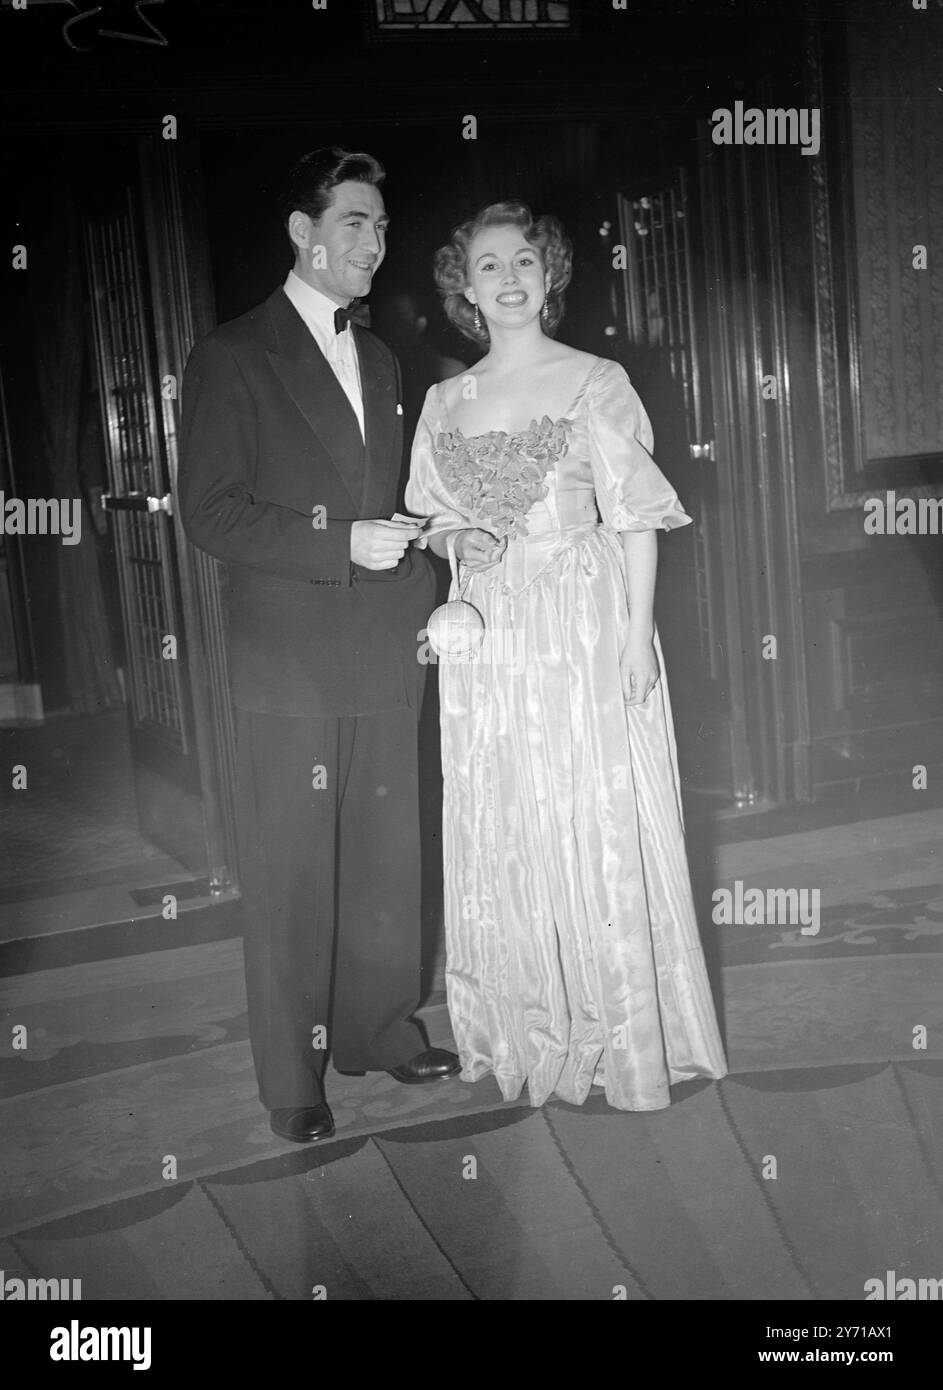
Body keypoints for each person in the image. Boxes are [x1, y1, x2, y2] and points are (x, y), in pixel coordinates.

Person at [405, 201, 727, 1111]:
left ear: (548, 277)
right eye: (487, 266)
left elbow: (636, 522)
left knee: (593, 812)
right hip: (491, 629)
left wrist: (634, 644)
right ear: (462, 289)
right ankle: (521, 1023)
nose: (508, 278)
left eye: (524, 262)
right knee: (505, 816)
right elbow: (431, 522)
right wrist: (455, 542)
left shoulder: (596, 380)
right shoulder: (443, 400)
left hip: (585, 619)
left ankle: (620, 1032)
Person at [178, 147, 459, 1145]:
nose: (375, 244)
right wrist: (337, 542)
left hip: (381, 644)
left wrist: (428, 549)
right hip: (289, 658)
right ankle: (293, 1076)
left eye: (382, 226)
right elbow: (208, 513)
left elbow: (381, 495)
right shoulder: (231, 354)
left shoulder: (382, 357)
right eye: (354, 222)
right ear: (301, 233)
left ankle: (381, 1029)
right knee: (295, 874)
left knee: (386, 857)